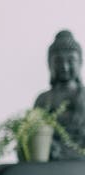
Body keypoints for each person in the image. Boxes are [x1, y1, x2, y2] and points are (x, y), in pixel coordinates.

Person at [34, 29, 85, 160]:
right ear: (50, 64)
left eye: (71, 60)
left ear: (80, 62)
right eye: (58, 61)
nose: (65, 66)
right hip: (54, 155)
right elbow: (34, 134)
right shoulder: (43, 99)